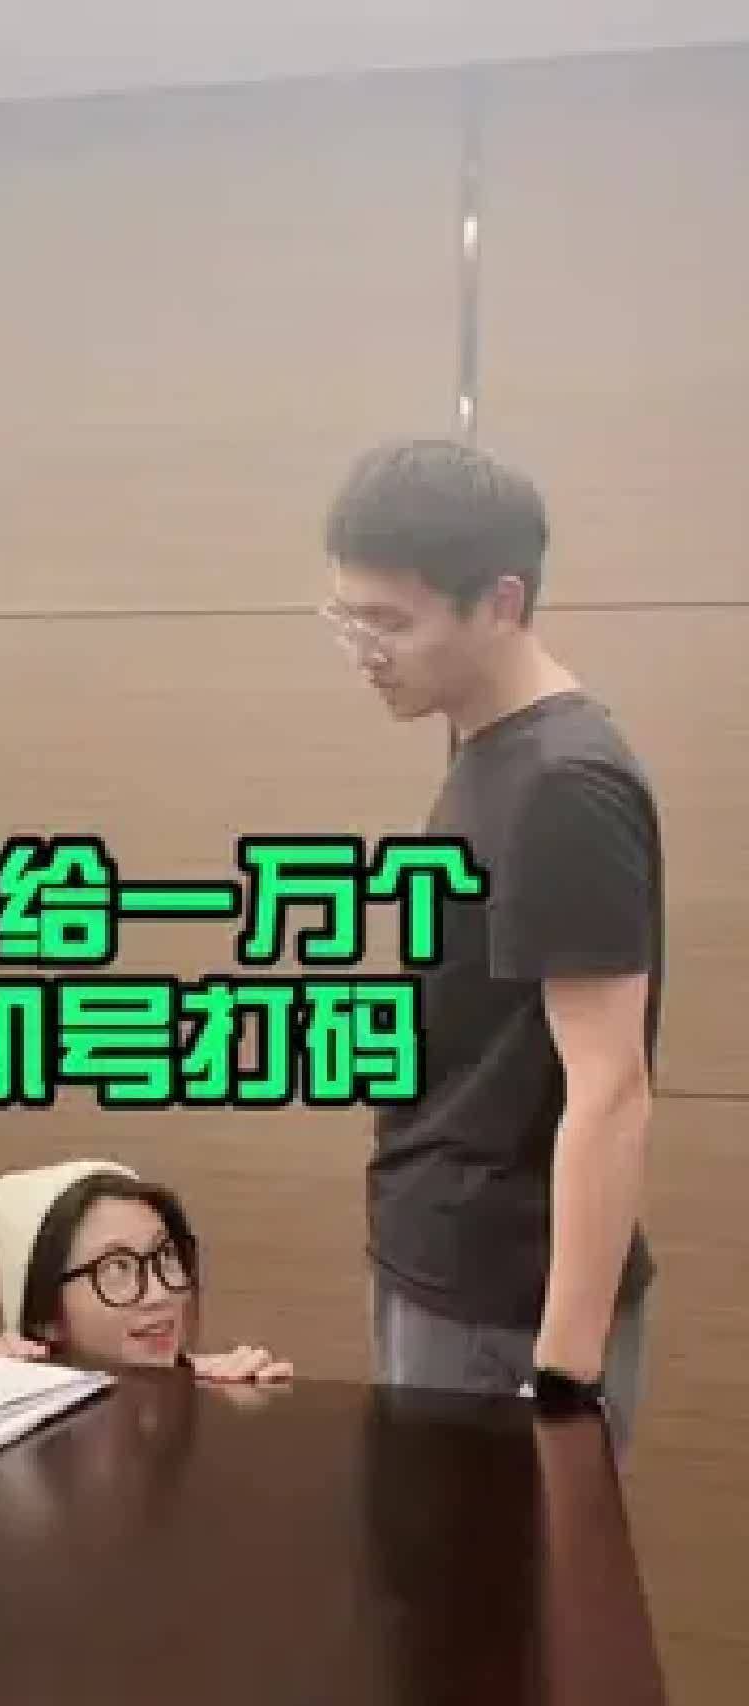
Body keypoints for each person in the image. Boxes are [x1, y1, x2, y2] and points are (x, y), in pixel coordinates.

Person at [321, 438, 663, 1454]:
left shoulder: (562, 783)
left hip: (503, 1309)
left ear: (501, 601)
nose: (364, 650)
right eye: (347, 618)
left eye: (391, 622)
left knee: (486, 1566)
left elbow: (610, 1088)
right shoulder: (492, 750)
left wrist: (562, 1372)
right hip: (445, 1265)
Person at [0, 1158, 293, 1383]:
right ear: (46, 1318)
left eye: (166, 1255)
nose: (159, 1294)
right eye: (116, 1268)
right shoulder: (16, 1438)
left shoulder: (208, 1392)